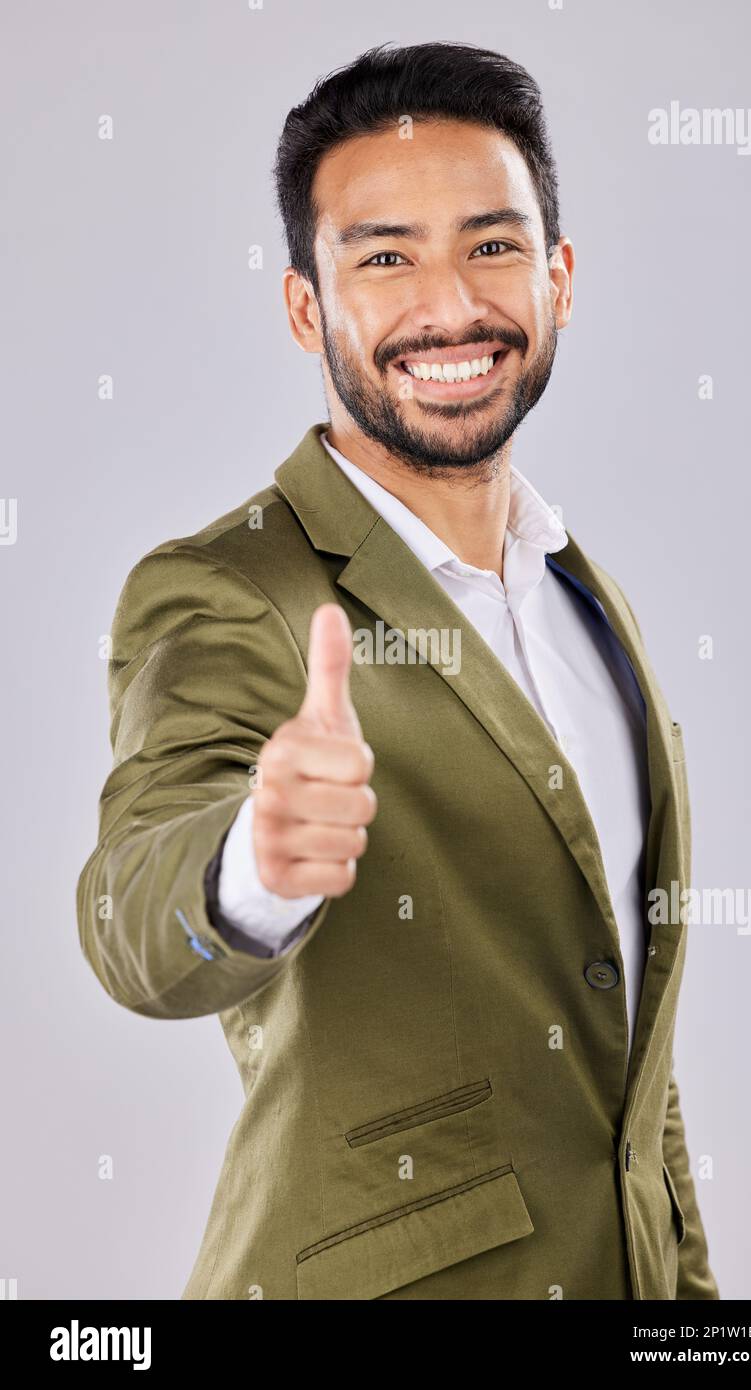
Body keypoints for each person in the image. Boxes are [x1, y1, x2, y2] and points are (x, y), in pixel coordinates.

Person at [77, 41, 718, 1300]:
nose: (448, 306)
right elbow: (132, 921)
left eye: (491, 244)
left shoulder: (585, 601)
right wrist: (253, 861)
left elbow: (628, 1057)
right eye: (384, 257)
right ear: (308, 308)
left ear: (558, 279)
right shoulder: (230, 588)